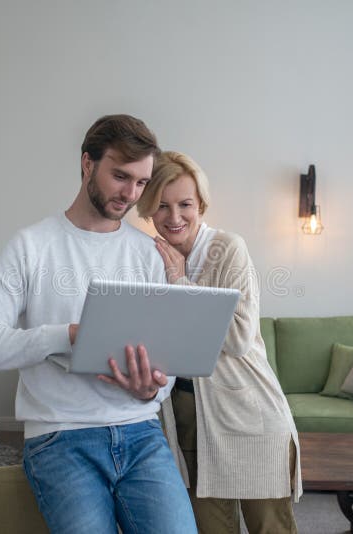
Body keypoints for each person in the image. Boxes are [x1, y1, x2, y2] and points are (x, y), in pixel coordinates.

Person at [0, 116, 197, 534]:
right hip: (60, 439)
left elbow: (167, 359)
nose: (130, 194)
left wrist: (153, 389)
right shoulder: (31, 246)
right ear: (87, 163)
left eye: (141, 183)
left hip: (141, 434)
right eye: (120, 176)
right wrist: (67, 335)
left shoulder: (147, 254)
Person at [136, 151, 302, 534]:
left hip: (249, 417)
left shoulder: (228, 249)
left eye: (184, 204)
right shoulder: (150, 258)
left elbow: (239, 337)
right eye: (161, 206)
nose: (173, 217)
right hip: (190, 423)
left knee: (270, 529)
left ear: (201, 205)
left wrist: (180, 283)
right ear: (147, 209)